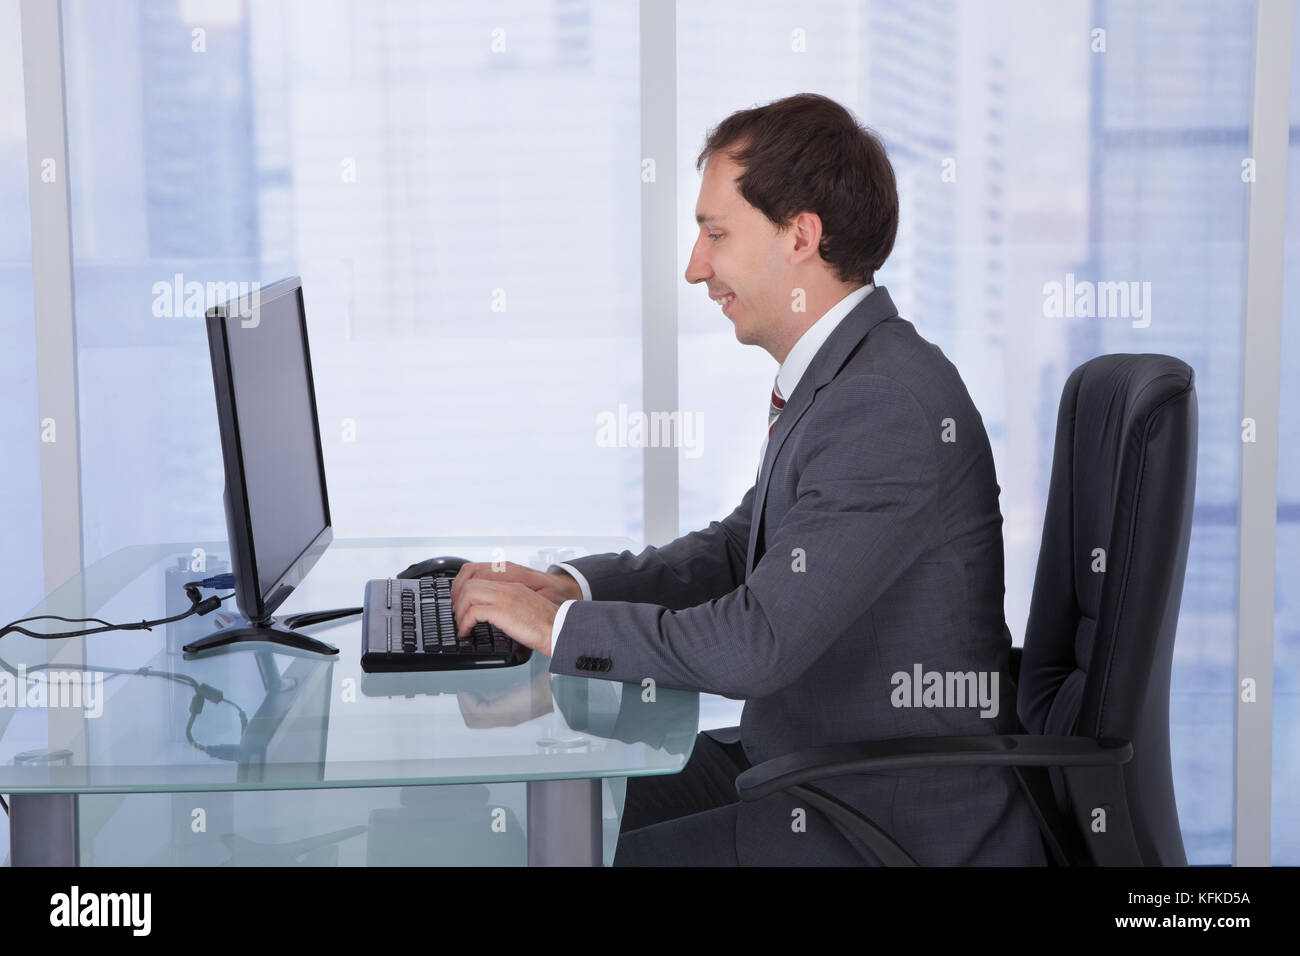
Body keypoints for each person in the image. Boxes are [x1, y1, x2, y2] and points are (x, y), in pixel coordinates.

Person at [450, 92, 1046, 866]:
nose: (696, 268)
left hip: (878, 817)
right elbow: (744, 551)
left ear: (800, 235)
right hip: (804, 766)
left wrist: (560, 635)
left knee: (547, 850)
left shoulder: (884, 405)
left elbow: (758, 643)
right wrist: (574, 589)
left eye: (715, 234)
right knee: (528, 815)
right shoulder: (848, 375)